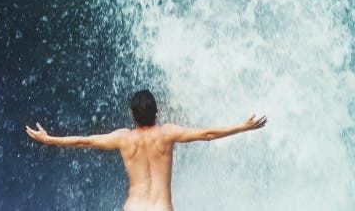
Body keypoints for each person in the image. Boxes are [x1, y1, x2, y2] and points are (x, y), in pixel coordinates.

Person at [25, 89, 267, 211]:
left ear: (132, 114)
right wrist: (242, 127)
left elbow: (84, 141)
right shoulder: (168, 133)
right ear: (157, 111)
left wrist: (49, 139)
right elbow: (207, 135)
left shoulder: (123, 138)